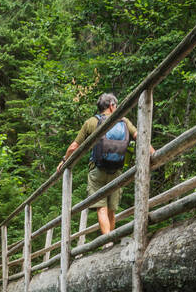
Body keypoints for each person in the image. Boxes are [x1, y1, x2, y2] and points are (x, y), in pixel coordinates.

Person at [57, 93, 155, 244]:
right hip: (116, 171)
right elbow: (140, 136)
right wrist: (154, 153)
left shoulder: (91, 122)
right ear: (111, 106)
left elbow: (74, 147)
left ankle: (107, 243)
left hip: (97, 170)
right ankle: (112, 241)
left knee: (101, 208)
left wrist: (64, 160)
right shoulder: (124, 121)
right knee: (111, 210)